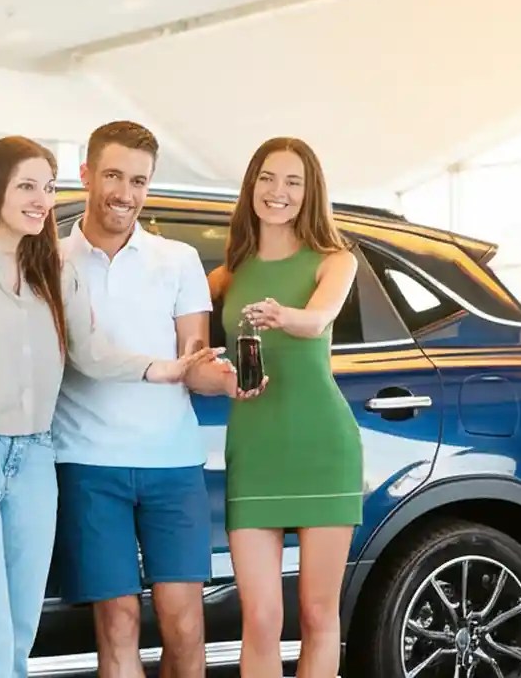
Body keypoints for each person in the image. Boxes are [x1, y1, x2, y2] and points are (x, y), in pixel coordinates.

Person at [0, 134, 220, 678]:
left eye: (47, 188)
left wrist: (166, 368)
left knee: (21, 625)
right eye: (26, 186)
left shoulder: (53, 268)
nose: (41, 200)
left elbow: (90, 353)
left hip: (35, 463)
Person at [208, 136, 362, 678]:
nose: (278, 192)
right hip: (253, 450)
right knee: (261, 617)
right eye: (268, 178)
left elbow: (318, 320)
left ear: (309, 191)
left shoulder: (335, 260)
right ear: (252, 185)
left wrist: (282, 315)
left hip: (323, 446)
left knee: (319, 613)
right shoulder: (229, 272)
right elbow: (188, 342)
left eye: (293, 182)